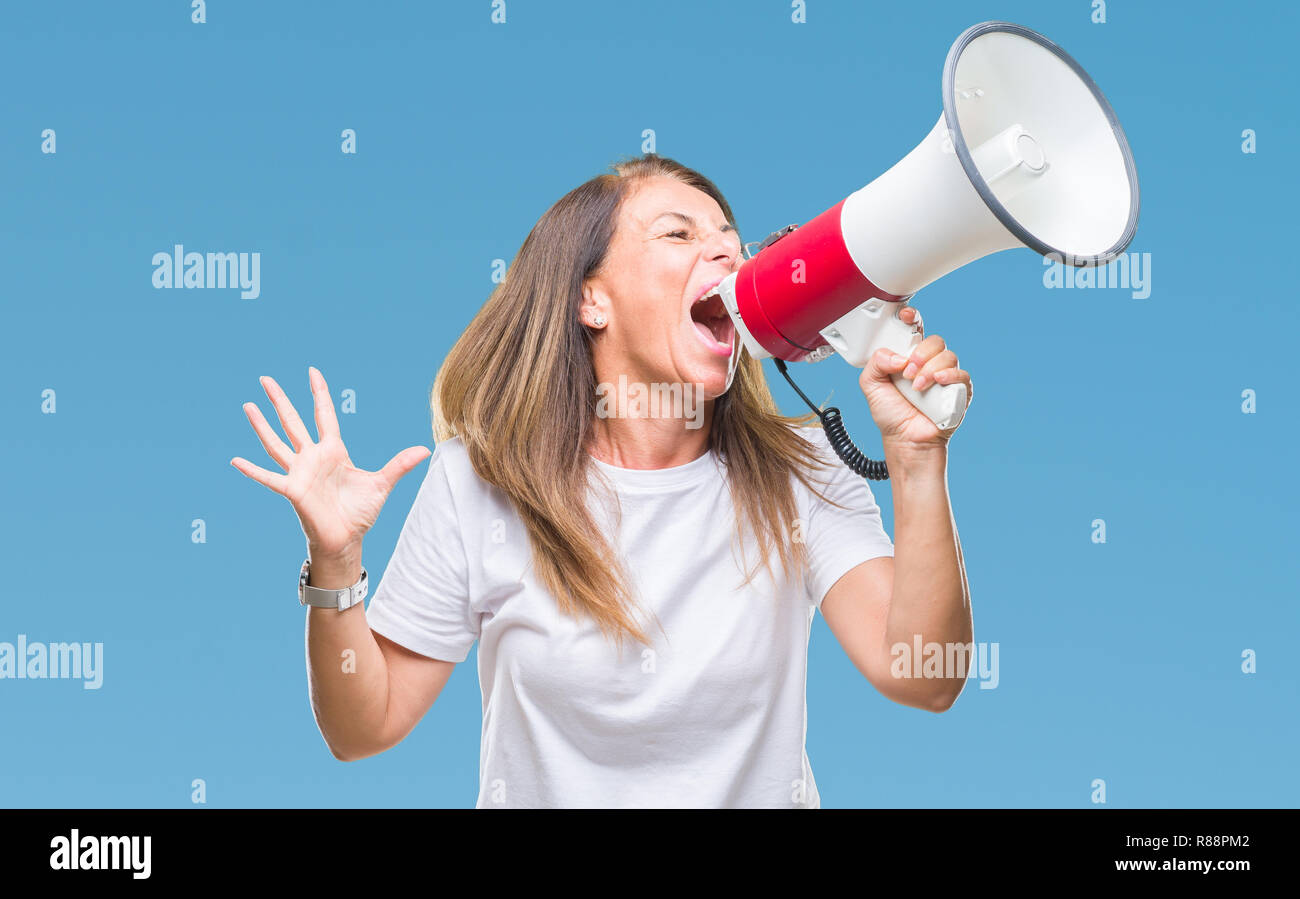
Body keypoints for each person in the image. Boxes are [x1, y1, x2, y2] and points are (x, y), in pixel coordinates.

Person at [231, 154, 974, 808]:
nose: (724, 252)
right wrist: (335, 562)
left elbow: (924, 676)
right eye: (679, 234)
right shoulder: (480, 483)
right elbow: (363, 727)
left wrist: (915, 460)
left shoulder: (803, 472)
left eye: (729, 239)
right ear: (592, 300)